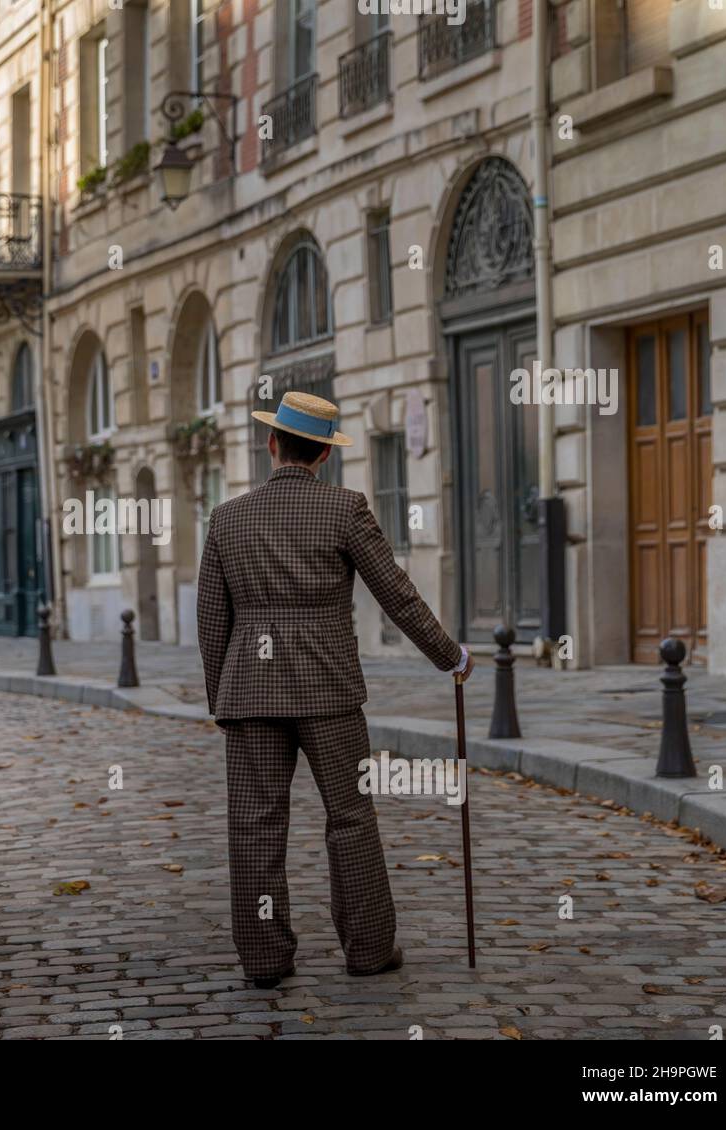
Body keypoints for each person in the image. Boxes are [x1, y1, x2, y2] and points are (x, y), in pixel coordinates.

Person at [196, 390, 474, 990]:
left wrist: (221, 697)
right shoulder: (345, 509)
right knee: (350, 817)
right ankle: (369, 947)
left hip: (250, 693)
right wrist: (449, 656)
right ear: (323, 454)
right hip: (329, 690)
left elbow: (211, 621)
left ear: (273, 444)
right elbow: (396, 592)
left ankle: (266, 959)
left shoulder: (226, 519)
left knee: (254, 824)